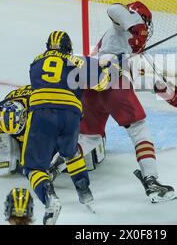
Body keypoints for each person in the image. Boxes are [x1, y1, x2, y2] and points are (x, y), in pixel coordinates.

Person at [80, 1, 177, 203]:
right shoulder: (124, 24)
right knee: (139, 129)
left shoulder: (128, 47)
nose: (146, 31)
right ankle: (151, 180)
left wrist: (168, 94)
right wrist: (137, 29)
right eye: (145, 25)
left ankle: (54, 167)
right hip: (111, 84)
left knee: (89, 138)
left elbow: (141, 77)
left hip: (91, 88)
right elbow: (114, 9)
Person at [22, 30, 115, 225]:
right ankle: (84, 191)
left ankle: (50, 199)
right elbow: (101, 84)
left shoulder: (35, 62)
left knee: (33, 167)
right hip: (70, 114)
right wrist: (106, 68)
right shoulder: (77, 60)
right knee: (71, 152)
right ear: (68, 47)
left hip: (42, 112)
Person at [0, 85, 106, 177]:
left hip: (60, 108)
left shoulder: (44, 112)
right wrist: (0, 143)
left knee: (74, 153)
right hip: (34, 102)